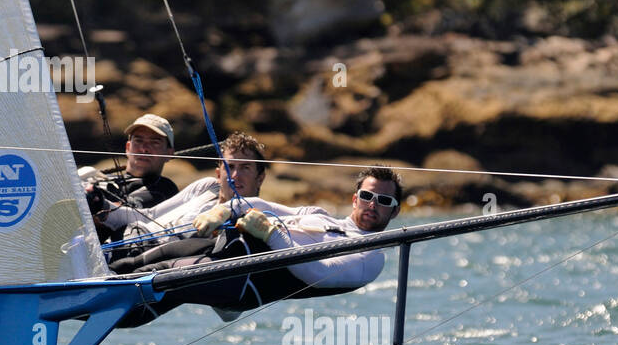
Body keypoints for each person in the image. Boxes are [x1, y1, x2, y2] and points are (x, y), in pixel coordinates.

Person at [115, 166, 406, 326]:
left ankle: (84, 303)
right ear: (355, 198)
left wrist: (271, 233)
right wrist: (227, 210)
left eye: (384, 201)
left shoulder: (370, 256)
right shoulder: (321, 216)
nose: (372, 205)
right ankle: (77, 291)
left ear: (394, 211)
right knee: (137, 265)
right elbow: (266, 205)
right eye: (368, 196)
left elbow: (316, 272)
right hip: (227, 250)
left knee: (153, 278)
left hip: (243, 282)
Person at [101, 131, 298, 263]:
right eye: (230, 167)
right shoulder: (206, 187)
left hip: (140, 267)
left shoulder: (258, 218)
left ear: (260, 177)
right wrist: (101, 206)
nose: (235, 175)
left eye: (245, 168)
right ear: (218, 173)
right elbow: (148, 215)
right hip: (119, 240)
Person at [82, 115, 178, 232]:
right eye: (138, 140)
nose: (144, 149)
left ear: (169, 153)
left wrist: (95, 203)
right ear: (128, 147)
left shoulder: (165, 189)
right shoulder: (102, 180)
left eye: (154, 142)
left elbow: (125, 216)